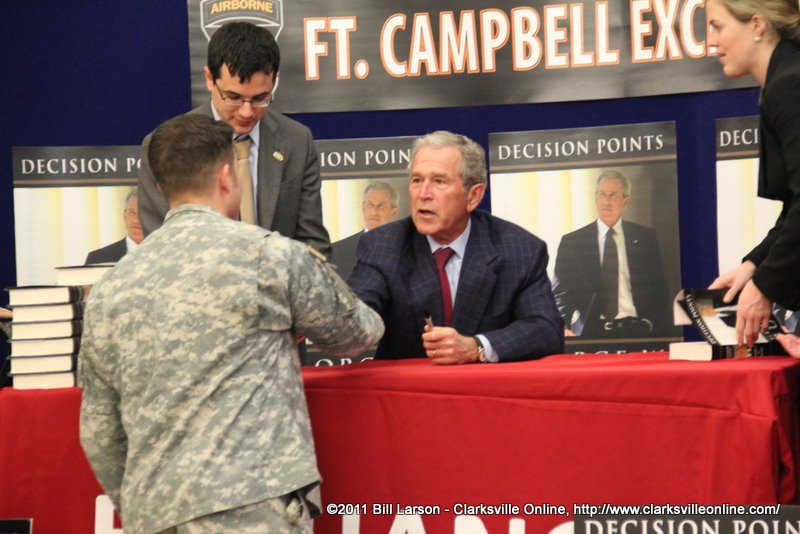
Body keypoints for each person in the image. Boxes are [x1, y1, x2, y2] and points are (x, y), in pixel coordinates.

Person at [79, 114, 383, 534]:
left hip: (153, 513)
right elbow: (357, 333)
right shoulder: (269, 257)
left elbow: (99, 433)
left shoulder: (109, 289)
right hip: (253, 510)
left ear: (161, 188)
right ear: (227, 176)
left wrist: (143, 504)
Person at [348, 131, 564, 364]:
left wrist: (476, 347)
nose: (423, 194)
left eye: (439, 181)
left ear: (473, 196)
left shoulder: (519, 249)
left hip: (486, 385)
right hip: (408, 385)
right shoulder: (383, 245)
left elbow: (546, 329)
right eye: (417, 180)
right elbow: (355, 315)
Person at [137, 21, 330, 257]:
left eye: (260, 98)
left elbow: (313, 245)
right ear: (209, 79)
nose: (247, 112)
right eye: (234, 97)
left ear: (274, 81)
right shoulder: (167, 146)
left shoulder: (297, 141)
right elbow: (160, 248)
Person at [707, 0, 800, 348]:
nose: (711, 41)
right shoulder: (784, 79)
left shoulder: (789, 84)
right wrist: (754, 266)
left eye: (718, 27)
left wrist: (764, 286)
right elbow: (794, 206)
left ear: (758, 25)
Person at [552, 170, 670, 338]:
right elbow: (560, 294)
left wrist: (650, 323)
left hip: (636, 329)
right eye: (602, 194)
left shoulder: (645, 237)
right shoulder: (573, 241)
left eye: (613, 195)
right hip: (589, 332)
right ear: (595, 198)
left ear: (626, 201)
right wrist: (563, 327)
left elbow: (659, 288)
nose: (606, 201)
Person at [331, 181, 399, 280]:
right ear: (363, 209)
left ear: (394, 212)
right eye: (370, 205)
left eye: (381, 206)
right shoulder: (338, 251)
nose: (374, 212)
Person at [85, 188, 144, 264]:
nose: (136, 220)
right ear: (124, 216)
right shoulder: (97, 258)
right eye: (132, 213)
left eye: (143, 213)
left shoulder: (160, 254)